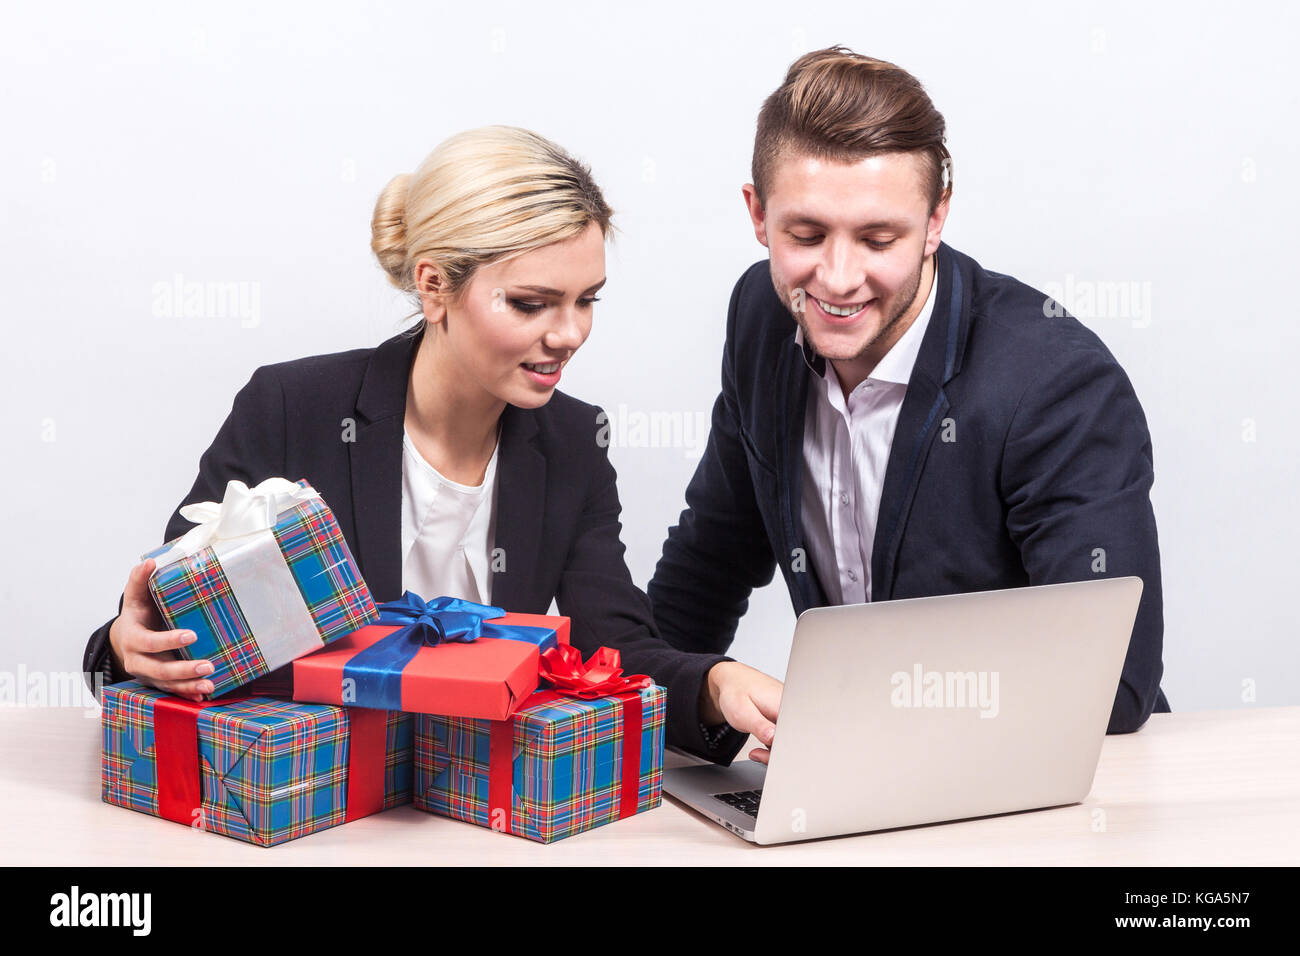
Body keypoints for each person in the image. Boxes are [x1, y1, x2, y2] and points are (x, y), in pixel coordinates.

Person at [81, 125, 773, 760]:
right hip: (305, 793)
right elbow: (168, 618)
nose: (568, 333)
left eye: (587, 299)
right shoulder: (293, 408)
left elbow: (617, 647)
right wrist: (121, 642)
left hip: (476, 800)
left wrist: (718, 683)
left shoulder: (572, 441)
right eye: (532, 303)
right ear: (434, 285)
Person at [647, 47, 1170, 765]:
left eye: (878, 238)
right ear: (757, 214)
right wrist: (644, 702)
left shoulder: (1052, 381)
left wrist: (857, 727)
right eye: (805, 234)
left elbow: (1113, 682)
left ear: (934, 222)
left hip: (1051, 783)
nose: (835, 277)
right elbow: (710, 560)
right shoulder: (761, 317)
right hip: (852, 781)